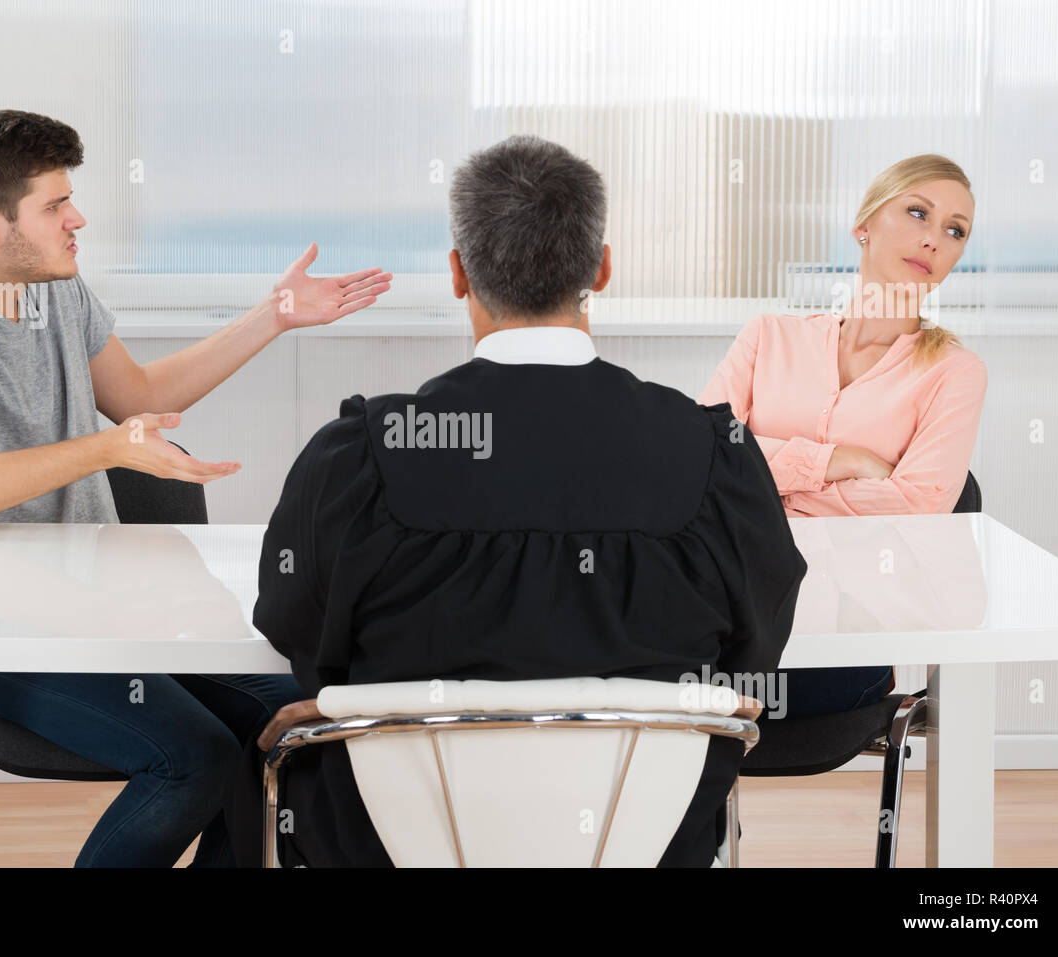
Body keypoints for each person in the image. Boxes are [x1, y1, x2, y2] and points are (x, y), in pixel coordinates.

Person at [241, 134, 807, 867]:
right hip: (648, 843)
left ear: (456, 273)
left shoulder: (362, 455)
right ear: (602, 267)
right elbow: (754, 639)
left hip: (388, 845)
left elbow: (302, 632)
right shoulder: (714, 453)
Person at [0, 109, 391, 865]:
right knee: (197, 758)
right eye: (55, 205)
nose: (77, 217)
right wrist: (101, 449)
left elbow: (141, 392)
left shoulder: (57, 292)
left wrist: (274, 317)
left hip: (102, 615)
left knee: (297, 727)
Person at [698, 153, 988, 718]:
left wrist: (759, 487)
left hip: (846, 644)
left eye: (955, 231)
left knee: (692, 713)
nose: (934, 240)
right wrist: (838, 461)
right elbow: (700, 458)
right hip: (726, 619)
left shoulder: (955, 372)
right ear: (864, 226)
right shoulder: (767, 337)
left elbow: (917, 503)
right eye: (917, 213)